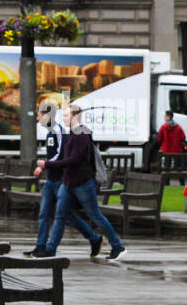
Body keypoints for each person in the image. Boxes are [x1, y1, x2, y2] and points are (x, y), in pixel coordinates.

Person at [35, 105, 126, 261]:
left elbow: (74, 160)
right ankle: (50, 250)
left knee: (95, 215)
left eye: (66, 115)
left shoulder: (82, 133)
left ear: (75, 116)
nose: (63, 118)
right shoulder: (71, 133)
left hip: (83, 183)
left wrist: (47, 164)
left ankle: (117, 246)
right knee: (60, 215)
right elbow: (66, 157)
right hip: (68, 183)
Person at [25, 102, 101, 259]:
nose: (37, 118)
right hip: (51, 180)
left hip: (60, 180)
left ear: (47, 115)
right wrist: (46, 164)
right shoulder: (50, 132)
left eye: (39, 115)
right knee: (45, 214)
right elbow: (55, 154)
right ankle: (40, 246)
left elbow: (61, 155)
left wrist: (44, 165)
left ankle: (93, 238)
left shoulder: (58, 131)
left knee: (66, 216)